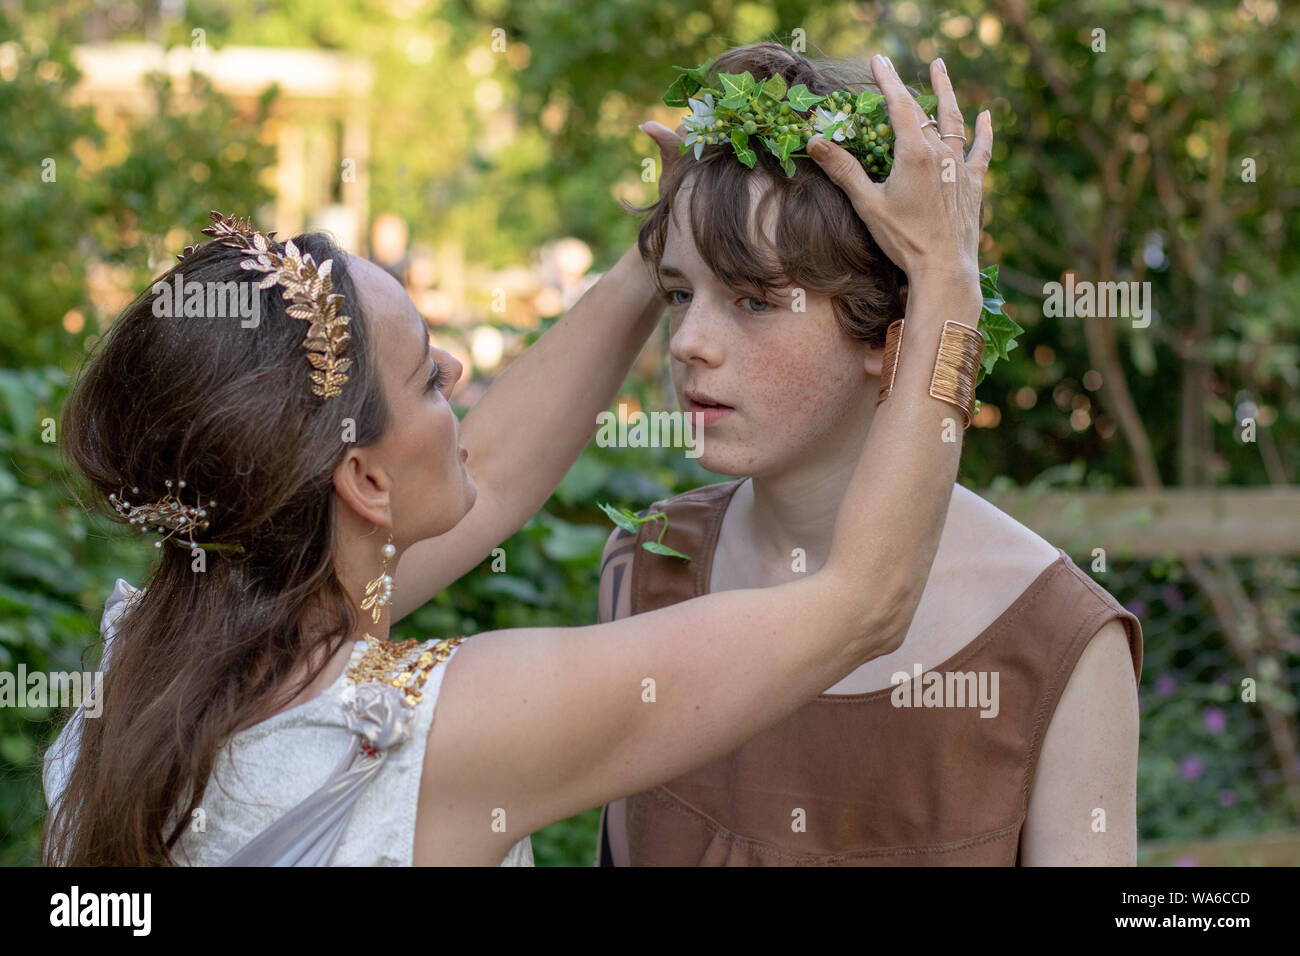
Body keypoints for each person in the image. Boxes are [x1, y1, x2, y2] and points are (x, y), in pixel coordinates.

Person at [42, 51, 994, 867]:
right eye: (426, 378)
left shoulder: (150, 666)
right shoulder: (434, 736)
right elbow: (863, 603)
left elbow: (489, 476)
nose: (458, 372)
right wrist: (948, 280)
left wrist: (659, 251)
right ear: (367, 482)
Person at [596, 42, 1142, 867]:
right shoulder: (645, 564)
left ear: (889, 336)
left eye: (753, 300)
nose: (689, 344)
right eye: (680, 293)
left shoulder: (1059, 643)